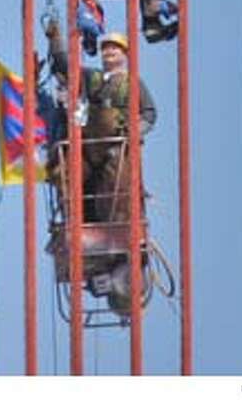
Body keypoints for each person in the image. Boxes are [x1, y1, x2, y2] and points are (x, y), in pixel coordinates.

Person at [83, 32, 155, 314]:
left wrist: (132, 131)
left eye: (114, 49)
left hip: (119, 148)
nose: (109, 53)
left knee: (118, 191)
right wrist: (55, 42)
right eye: (106, 49)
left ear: (124, 54)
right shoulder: (95, 81)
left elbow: (149, 115)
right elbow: (68, 68)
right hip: (94, 150)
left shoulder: (132, 83)